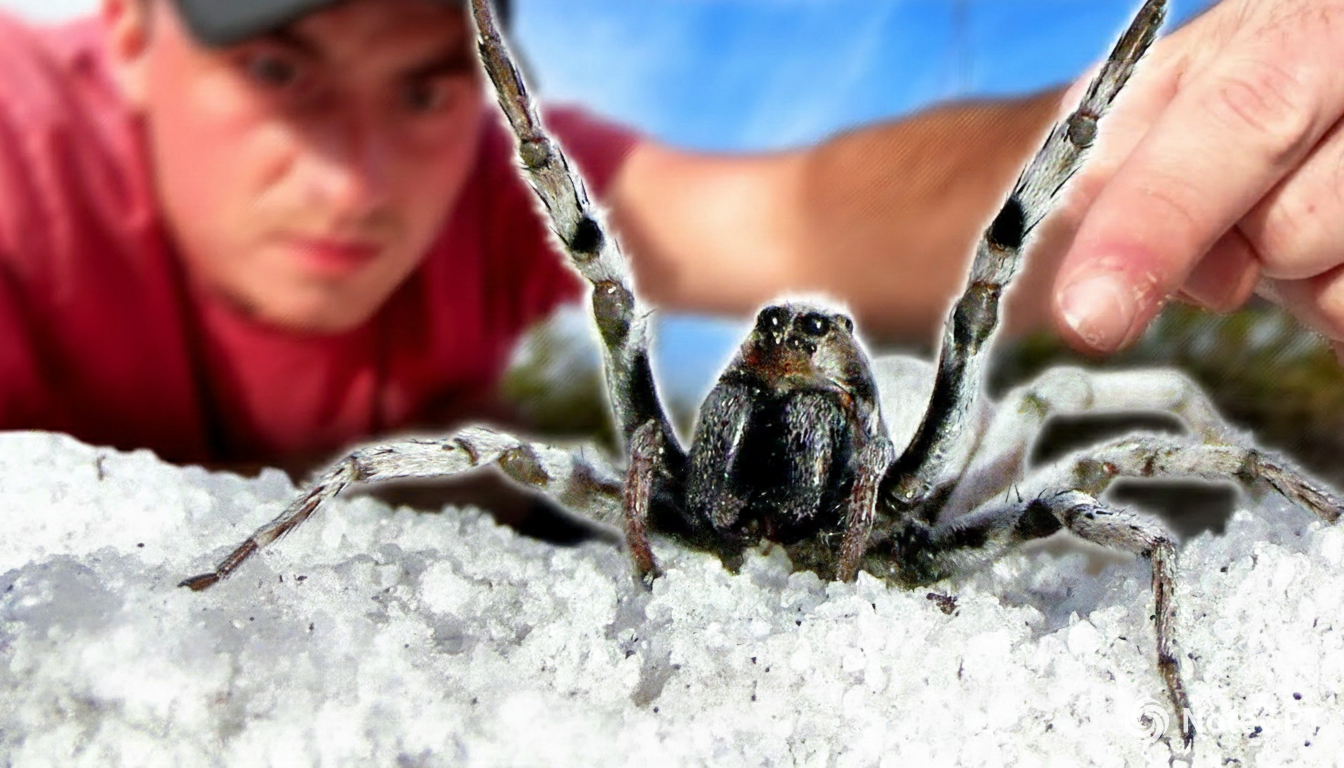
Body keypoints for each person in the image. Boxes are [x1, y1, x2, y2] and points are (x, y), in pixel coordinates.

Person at [0, 0, 1339, 474]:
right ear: (124, 31)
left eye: (422, 81)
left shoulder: (489, 189)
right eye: (282, 73)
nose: (354, 175)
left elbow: (830, 209)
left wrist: (1189, 122)